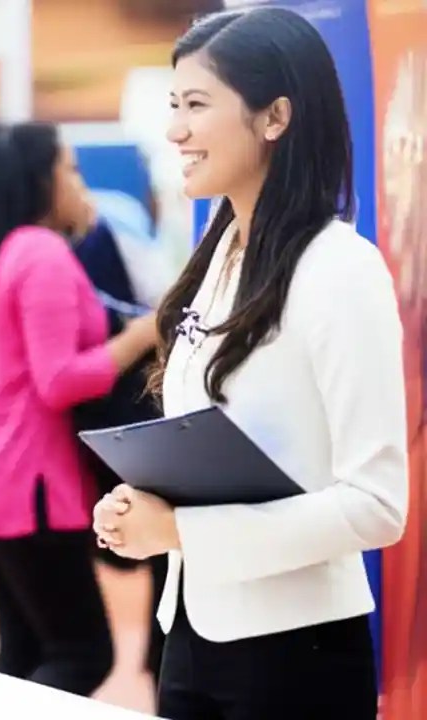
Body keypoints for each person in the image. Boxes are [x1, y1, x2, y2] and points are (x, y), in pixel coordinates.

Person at [92, 8, 408, 719]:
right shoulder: (219, 257)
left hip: (297, 655)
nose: (175, 130)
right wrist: (141, 507)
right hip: (190, 636)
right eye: (174, 106)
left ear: (275, 118)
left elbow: (378, 505)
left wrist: (180, 531)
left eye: (196, 105)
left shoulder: (339, 269)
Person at [0, 122, 159, 697]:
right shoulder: (39, 253)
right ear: (38, 180)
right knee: (81, 653)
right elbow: (60, 381)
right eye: (69, 169)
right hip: (27, 476)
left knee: (23, 646)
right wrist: (146, 332)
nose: (77, 181)